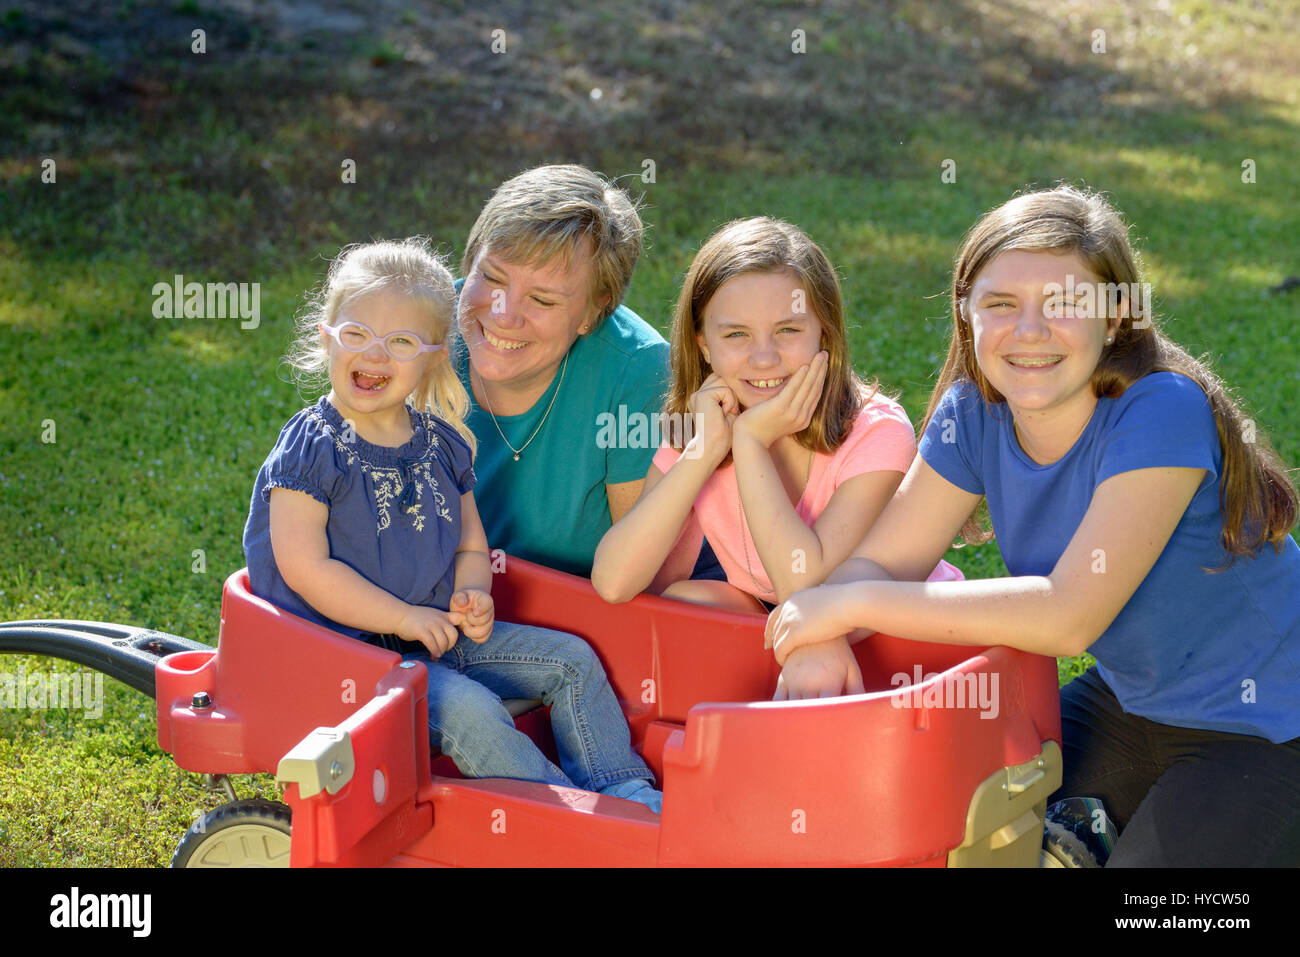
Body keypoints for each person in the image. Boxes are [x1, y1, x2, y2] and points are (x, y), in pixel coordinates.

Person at [763, 185, 1300, 865]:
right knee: (955, 824)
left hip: (1268, 724)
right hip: (1129, 702)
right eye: (1000, 304)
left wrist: (845, 603)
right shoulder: (975, 412)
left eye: (1064, 305)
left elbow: (1067, 617)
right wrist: (825, 633)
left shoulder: (1161, 408)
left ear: (1116, 318)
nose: (1030, 331)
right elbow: (882, 561)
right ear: (967, 316)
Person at [242, 239, 661, 812]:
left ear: (436, 356)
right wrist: (402, 617)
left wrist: (474, 592)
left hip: (436, 633)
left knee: (572, 660)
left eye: (402, 342)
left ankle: (621, 786)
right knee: (471, 711)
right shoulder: (315, 447)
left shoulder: (440, 443)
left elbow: (470, 545)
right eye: (357, 335)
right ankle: (571, 818)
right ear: (326, 335)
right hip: (353, 659)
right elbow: (305, 567)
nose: (376, 355)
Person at [592, 217, 960, 619]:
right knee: (689, 599)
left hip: (887, 628)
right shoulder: (708, 423)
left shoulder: (876, 432)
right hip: (782, 618)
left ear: (825, 333)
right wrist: (702, 452)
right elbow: (614, 583)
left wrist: (749, 443)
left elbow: (808, 594)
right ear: (704, 347)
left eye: (787, 330)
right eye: (736, 335)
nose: (764, 358)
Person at [452, 164, 673, 578]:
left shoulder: (640, 373)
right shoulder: (417, 331)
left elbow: (648, 581)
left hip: (582, 621)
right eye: (491, 276)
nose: (504, 315)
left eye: (543, 300)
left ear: (593, 312)